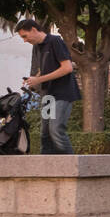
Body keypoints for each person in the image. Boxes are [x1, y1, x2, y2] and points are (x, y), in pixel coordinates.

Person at [17, 19, 80, 155]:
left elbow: (67, 68)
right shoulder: (37, 47)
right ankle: (45, 168)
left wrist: (39, 79)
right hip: (48, 96)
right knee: (45, 134)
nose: (24, 40)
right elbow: (44, 69)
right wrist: (33, 80)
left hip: (63, 94)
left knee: (56, 130)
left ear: (33, 30)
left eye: (25, 36)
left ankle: (71, 166)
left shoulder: (55, 41)